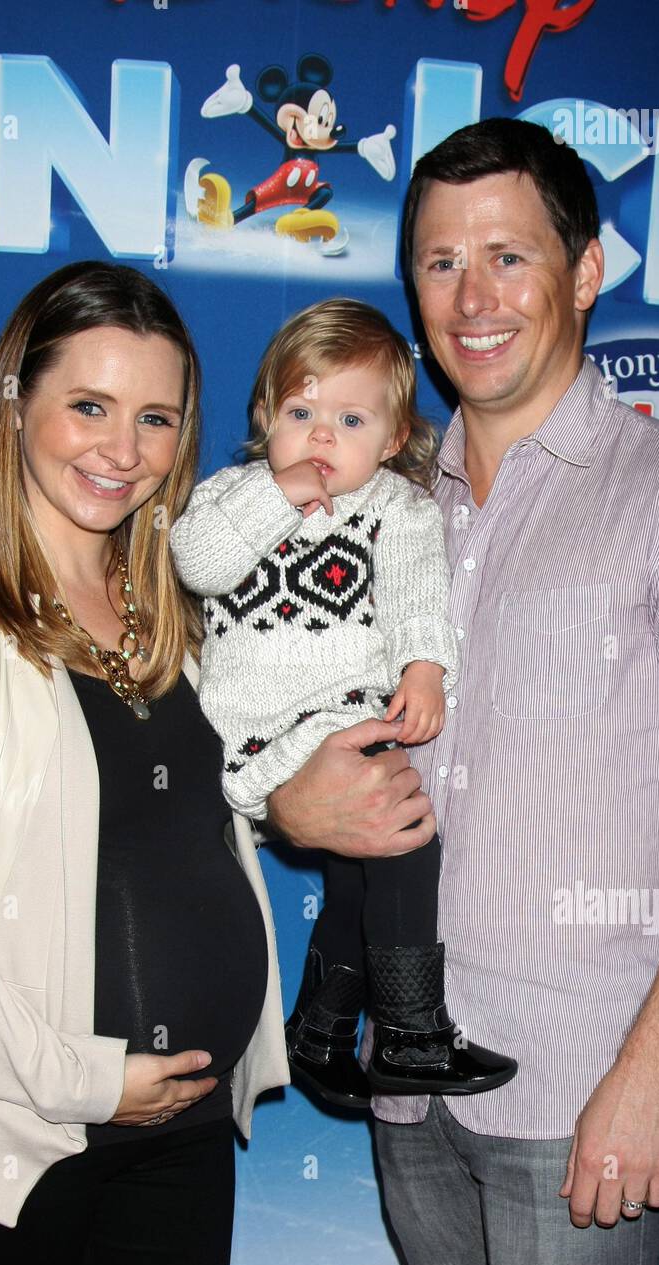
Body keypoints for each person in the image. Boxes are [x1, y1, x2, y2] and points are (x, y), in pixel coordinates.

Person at [263, 118, 659, 1265]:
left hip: (577, 1089)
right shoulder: (379, 510)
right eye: (438, 262)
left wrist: (649, 1070)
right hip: (404, 1072)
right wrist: (294, 803)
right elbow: (301, 738)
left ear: (583, 272)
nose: (471, 296)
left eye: (508, 256)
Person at [0, 260, 289, 1265]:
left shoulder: (189, 624)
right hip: (6, 1145)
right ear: (15, 402)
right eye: (90, 406)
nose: (123, 451)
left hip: (189, 1130)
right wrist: (87, 1080)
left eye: (156, 418)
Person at [169, 298, 517, 1107]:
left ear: (394, 438)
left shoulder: (399, 510)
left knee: (363, 879)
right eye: (301, 411)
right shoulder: (237, 493)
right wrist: (277, 495)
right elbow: (201, 561)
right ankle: (410, 1033)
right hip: (253, 734)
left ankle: (319, 1033)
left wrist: (426, 669)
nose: (322, 436)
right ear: (265, 415)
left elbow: (417, 603)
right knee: (406, 845)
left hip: (349, 722)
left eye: (351, 419)